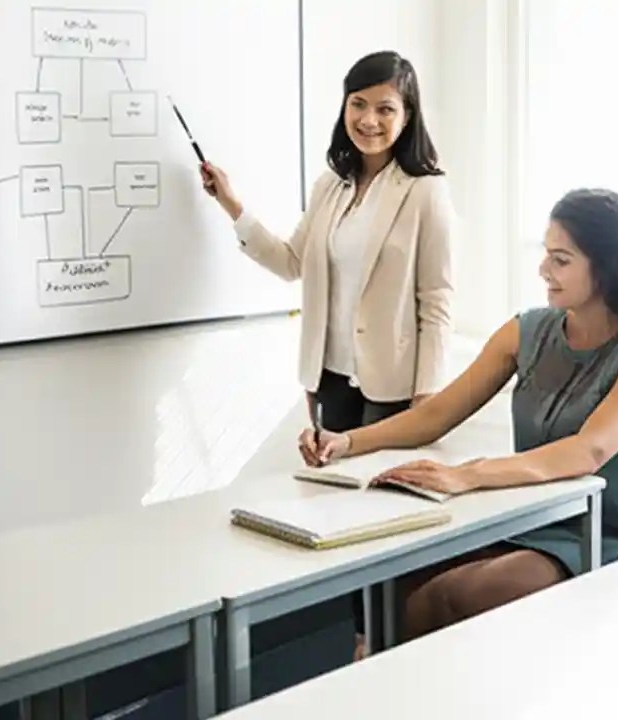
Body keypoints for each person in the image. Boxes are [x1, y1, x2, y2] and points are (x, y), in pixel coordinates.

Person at [301, 188, 618, 646]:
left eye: (561, 260)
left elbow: (589, 450)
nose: (544, 270)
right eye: (546, 255)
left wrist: (467, 475)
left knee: (458, 593)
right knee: (399, 572)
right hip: (535, 520)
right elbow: (439, 413)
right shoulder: (526, 331)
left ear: (606, 269)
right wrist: (346, 442)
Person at [199, 49, 456, 659]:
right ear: (344, 108)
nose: (369, 119)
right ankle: (362, 641)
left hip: (393, 386)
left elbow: (437, 300)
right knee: (337, 518)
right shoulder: (331, 187)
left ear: (408, 114)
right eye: (358, 105)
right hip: (331, 379)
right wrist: (232, 205)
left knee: (385, 522)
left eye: (385, 108)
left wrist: (426, 402)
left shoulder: (425, 192)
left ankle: (397, 643)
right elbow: (291, 263)